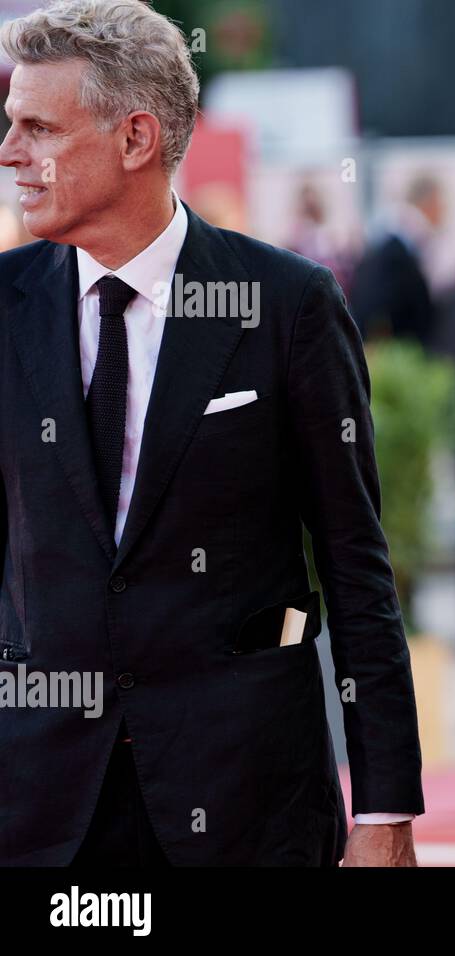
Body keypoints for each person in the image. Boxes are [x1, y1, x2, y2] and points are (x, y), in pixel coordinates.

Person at [0, 0, 422, 866]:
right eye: (11, 126)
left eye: (38, 128)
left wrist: (384, 810)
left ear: (135, 139)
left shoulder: (288, 305)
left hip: (245, 802)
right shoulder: (4, 304)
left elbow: (354, 564)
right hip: (40, 804)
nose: (11, 154)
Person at [349, 172, 446, 350]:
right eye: (441, 203)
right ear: (430, 202)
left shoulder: (387, 241)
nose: (444, 211)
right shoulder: (399, 250)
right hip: (397, 350)